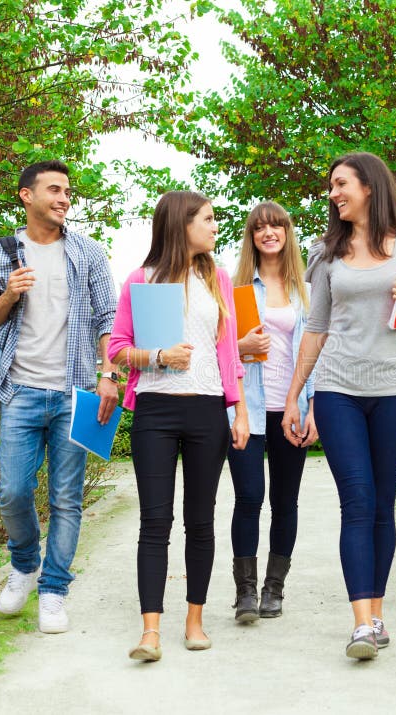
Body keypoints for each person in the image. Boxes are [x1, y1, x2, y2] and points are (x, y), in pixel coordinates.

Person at [282, 152, 396, 660]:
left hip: (395, 389)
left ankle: (377, 614)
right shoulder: (325, 253)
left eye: (341, 184)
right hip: (338, 389)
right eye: (331, 186)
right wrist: (296, 395)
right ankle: (360, 623)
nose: (333, 194)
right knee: (356, 499)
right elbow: (316, 327)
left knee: (381, 504)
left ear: (370, 187)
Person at [0, 160, 119, 634]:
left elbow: (108, 319)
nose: (63, 199)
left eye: (67, 192)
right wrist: (10, 296)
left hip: (74, 392)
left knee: (66, 498)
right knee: (13, 491)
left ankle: (54, 590)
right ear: (26, 196)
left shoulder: (88, 253)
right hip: (19, 389)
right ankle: (25, 564)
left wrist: (108, 375)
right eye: (54, 190)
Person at [107, 190, 249, 662]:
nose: (214, 228)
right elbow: (118, 349)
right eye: (207, 220)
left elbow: (229, 354)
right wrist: (157, 357)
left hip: (208, 409)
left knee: (201, 520)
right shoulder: (140, 280)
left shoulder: (219, 279)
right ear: (181, 224)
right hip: (155, 410)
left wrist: (240, 409)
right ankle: (150, 632)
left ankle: (195, 621)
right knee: (155, 520)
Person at [227, 201, 316, 623]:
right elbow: (217, 347)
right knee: (248, 496)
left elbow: (316, 350)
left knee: (285, 500)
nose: (268, 233)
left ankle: (273, 589)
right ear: (252, 236)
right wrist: (241, 348)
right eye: (260, 227)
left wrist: (311, 404)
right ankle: (244, 592)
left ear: (286, 232)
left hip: (291, 406)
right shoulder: (235, 285)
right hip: (247, 407)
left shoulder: (307, 289)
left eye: (276, 225)